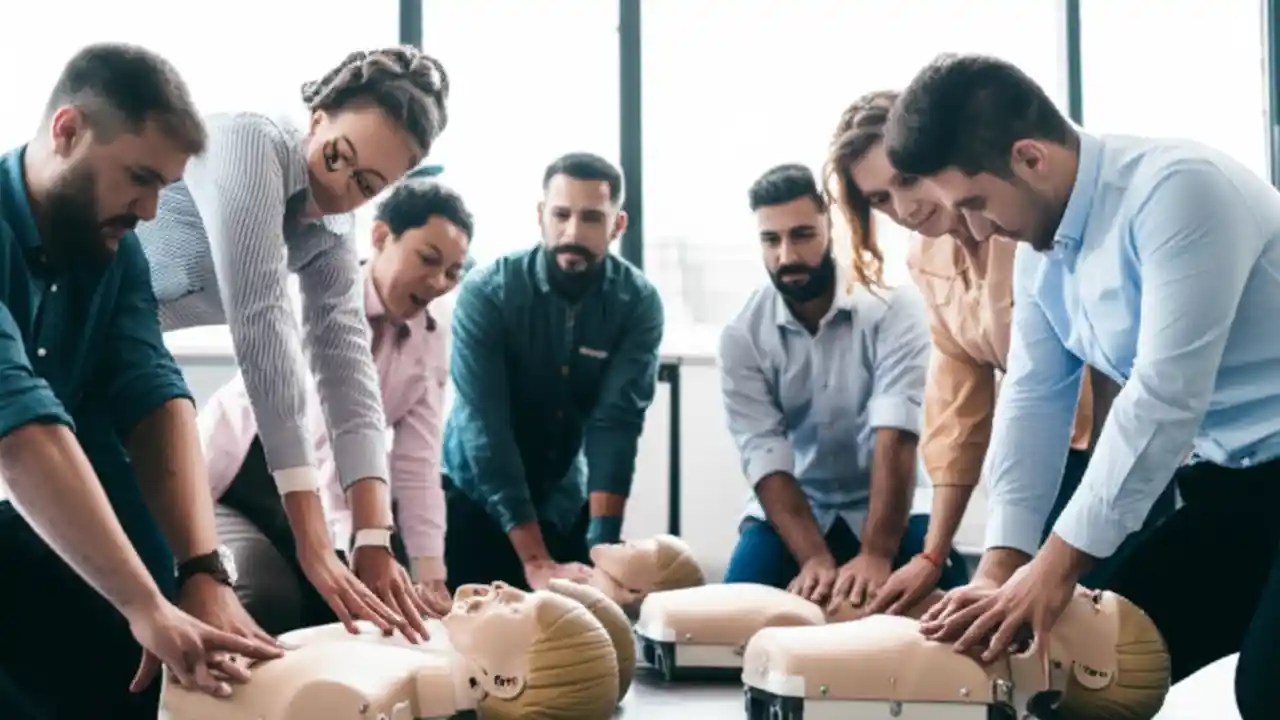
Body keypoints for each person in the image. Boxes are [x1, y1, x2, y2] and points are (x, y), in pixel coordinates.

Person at [883, 53, 1280, 719]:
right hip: (1236, 485)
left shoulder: (1179, 191)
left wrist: (1054, 569)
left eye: (977, 203)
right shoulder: (1042, 254)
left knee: (1266, 693)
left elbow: (1163, 396)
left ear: (1030, 158)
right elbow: (1034, 402)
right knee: (1073, 664)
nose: (976, 229)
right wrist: (998, 570)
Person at [0, 43, 283, 719]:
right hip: (17, 477)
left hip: (34, 503)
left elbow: (153, 394)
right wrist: (143, 604)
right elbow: (18, 427)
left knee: (146, 666)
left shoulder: (116, 249)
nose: (151, 212)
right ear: (67, 131)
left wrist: (198, 573)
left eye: (166, 187)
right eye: (139, 177)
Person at [137, 46, 451, 641]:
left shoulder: (332, 222)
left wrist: (373, 537)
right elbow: (262, 323)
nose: (339, 189)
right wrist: (312, 541)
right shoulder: (253, 144)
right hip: (46, 303)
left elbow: (347, 369)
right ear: (318, 118)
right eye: (338, 157)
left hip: (115, 347)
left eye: (367, 184)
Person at [822, 91, 1173, 617]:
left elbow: (1108, 365)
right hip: (1035, 452)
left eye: (907, 180)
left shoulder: (1024, 221)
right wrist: (932, 555)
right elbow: (958, 417)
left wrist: (1103, 505)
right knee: (1021, 621)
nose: (904, 209)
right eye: (878, 200)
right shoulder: (927, 258)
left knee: (1104, 625)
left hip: (1111, 442)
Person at [198, 177, 473, 635]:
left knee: (398, 609)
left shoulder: (432, 333)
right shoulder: (324, 297)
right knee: (271, 600)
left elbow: (417, 462)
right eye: (428, 259)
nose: (439, 282)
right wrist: (355, 547)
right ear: (381, 237)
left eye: (453, 271)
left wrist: (432, 575)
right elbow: (322, 443)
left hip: (336, 493)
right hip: (243, 486)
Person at [718, 163, 967, 613]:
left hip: (895, 505)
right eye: (771, 240)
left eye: (802, 235)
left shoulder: (894, 305)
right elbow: (763, 452)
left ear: (830, 227)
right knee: (738, 612)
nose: (786, 255)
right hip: (799, 506)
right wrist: (813, 559)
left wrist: (876, 553)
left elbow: (896, 433)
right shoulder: (741, 335)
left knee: (945, 606)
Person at [442, 152, 664, 592]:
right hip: (477, 497)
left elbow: (615, 427)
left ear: (618, 225)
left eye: (592, 219)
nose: (573, 233)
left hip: (563, 497)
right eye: (561, 215)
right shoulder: (488, 293)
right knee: (478, 645)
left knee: (574, 644)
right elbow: (487, 430)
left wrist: (604, 553)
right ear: (541, 215)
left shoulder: (638, 303)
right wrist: (535, 559)